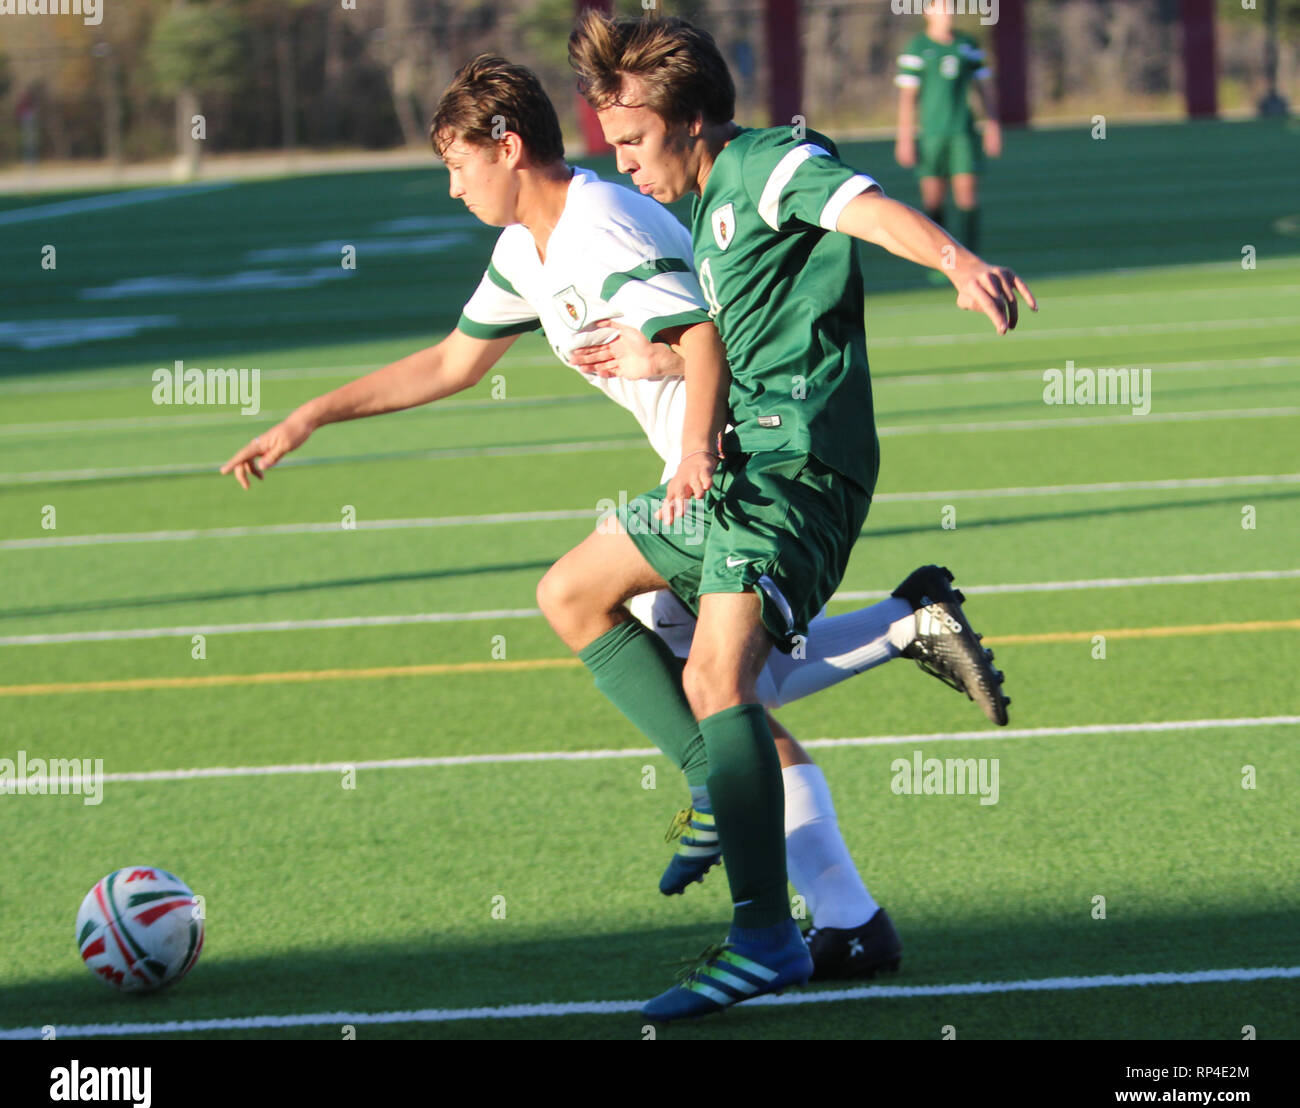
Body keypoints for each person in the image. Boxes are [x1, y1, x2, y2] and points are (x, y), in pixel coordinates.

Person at [217, 55, 1000, 984]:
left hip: (744, 476)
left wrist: (698, 446)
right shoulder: (527, 248)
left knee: (719, 689)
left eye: (458, 163)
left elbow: (706, 333)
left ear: (508, 148)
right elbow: (448, 364)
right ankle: (847, 906)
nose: (453, 185)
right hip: (706, 476)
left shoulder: (605, 224)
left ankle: (776, 891)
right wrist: (308, 418)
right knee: (703, 676)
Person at [543, 10, 1033, 1021]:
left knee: (719, 676)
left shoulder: (768, 163)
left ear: (687, 121)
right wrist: (658, 358)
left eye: (631, 142)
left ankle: (765, 934)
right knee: (574, 590)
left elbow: (865, 208)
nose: (621, 163)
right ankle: (726, 788)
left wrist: (953, 262)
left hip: (801, 470)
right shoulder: (706, 207)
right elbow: (750, 327)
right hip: (740, 469)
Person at [895, 2, 1000, 279]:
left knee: (966, 196)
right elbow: (908, 98)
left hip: (962, 134)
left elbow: (983, 88)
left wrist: (992, 124)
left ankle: (972, 260)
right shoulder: (917, 47)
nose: (947, 13)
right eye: (941, 8)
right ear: (928, 13)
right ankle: (940, 262)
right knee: (933, 200)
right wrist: (904, 137)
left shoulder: (967, 44)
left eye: (950, 8)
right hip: (931, 136)